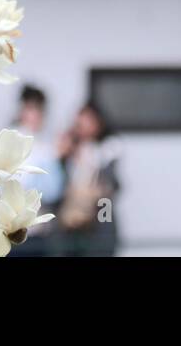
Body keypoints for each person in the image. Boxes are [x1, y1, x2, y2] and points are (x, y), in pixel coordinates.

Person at [56, 101, 120, 256]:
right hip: (71, 227)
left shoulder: (108, 148)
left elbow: (111, 187)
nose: (83, 127)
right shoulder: (69, 152)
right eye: (80, 123)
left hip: (98, 223)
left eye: (88, 121)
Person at [7, 84, 65, 257]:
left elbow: (53, 190)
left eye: (39, 110)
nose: (36, 115)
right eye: (31, 108)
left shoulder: (44, 144)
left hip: (38, 230)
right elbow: (21, 186)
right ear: (22, 109)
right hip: (15, 227)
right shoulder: (13, 138)